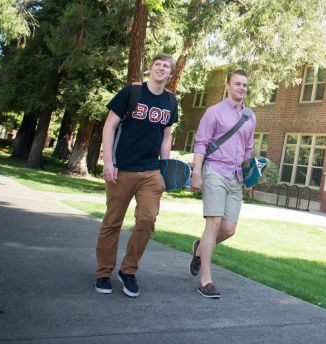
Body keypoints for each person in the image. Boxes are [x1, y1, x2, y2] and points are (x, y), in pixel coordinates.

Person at [93, 54, 178, 298]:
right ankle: (103, 271)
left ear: (171, 74)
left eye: (166, 67)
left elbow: (166, 135)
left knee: (147, 220)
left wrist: (166, 167)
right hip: (122, 169)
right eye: (158, 65)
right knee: (112, 222)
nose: (161, 68)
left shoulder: (171, 101)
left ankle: (128, 270)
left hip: (151, 172)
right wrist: (108, 162)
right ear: (150, 69)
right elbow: (109, 126)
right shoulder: (132, 92)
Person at [189, 69, 256, 298]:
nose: (241, 88)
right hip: (215, 170)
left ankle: (200, 249)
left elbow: (248, 149)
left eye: (245, 85)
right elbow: (200, 143)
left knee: (229, 229)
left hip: (236, 177)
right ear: (228, 86)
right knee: (214, 223)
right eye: (237, 83)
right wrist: (196, 173)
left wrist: (250, 175)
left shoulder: (250, 116)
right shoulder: (213, 112)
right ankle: (205, 280)